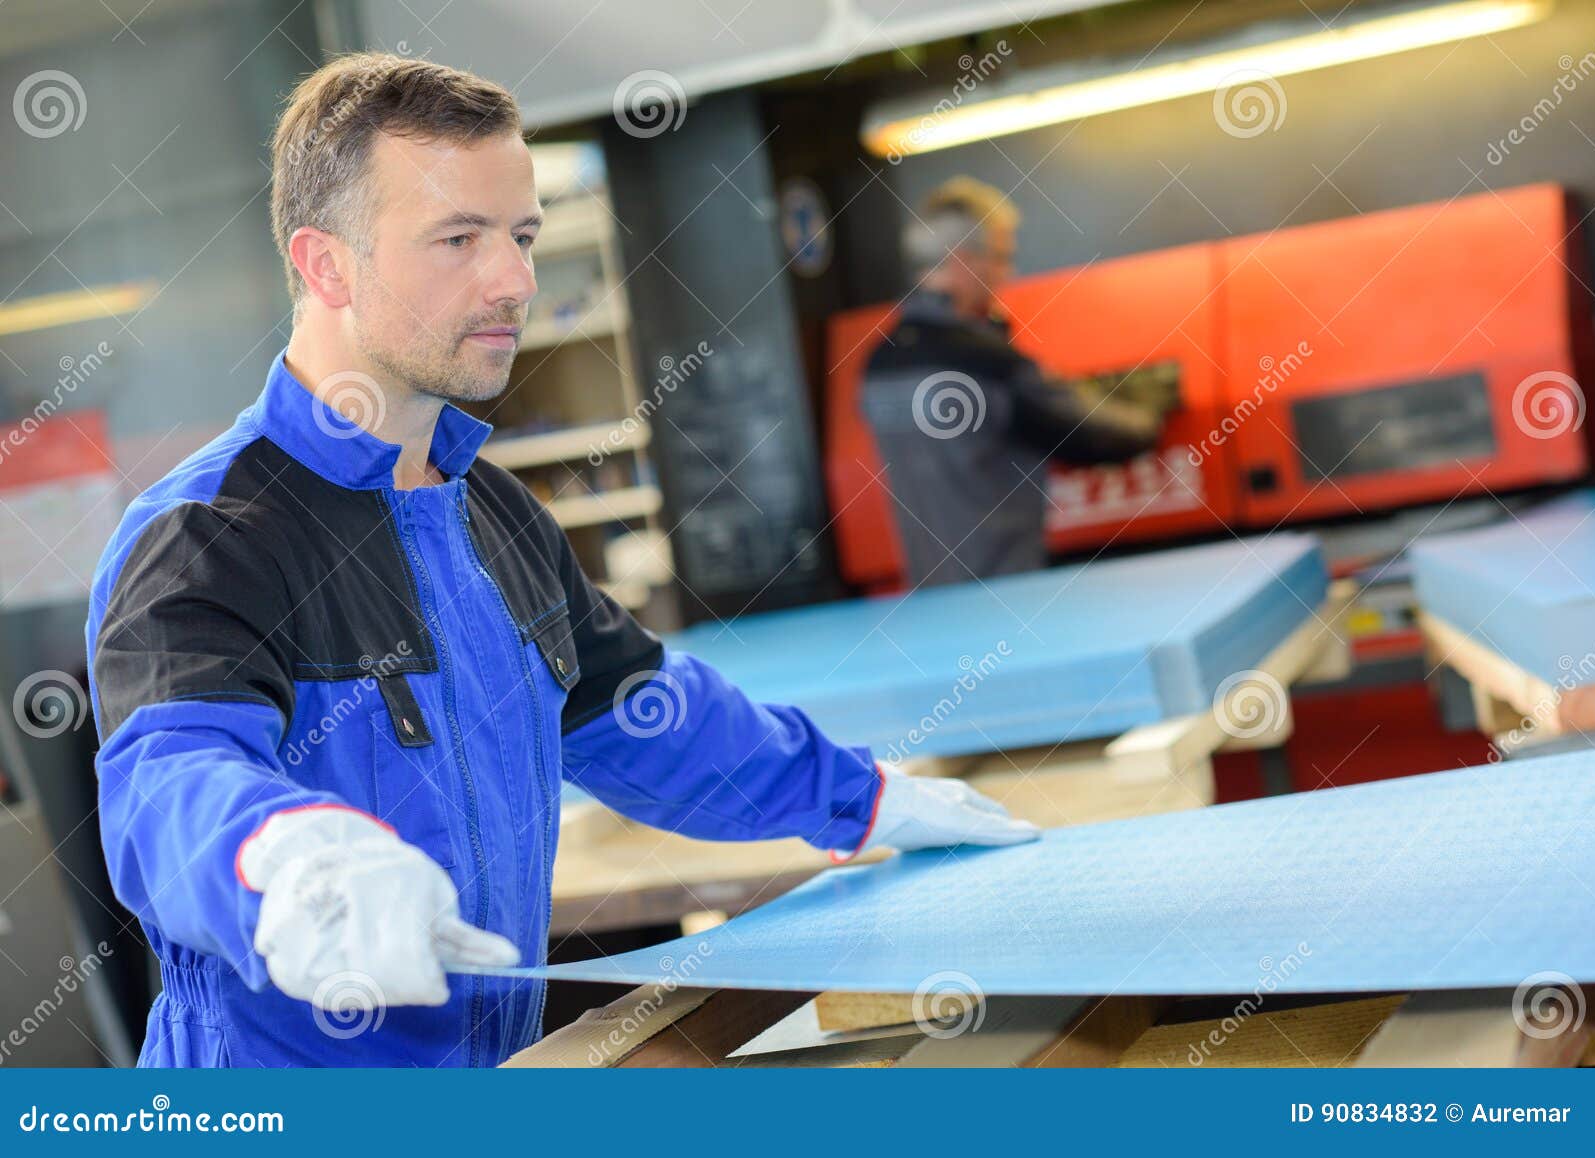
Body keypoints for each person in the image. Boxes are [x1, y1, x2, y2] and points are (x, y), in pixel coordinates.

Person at [86, 54, 1037, 1069]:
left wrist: (859, 797)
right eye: (458, 240)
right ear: (325, 266)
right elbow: (164, 776)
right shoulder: (208, 533)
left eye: (522, 235)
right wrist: (280, 855)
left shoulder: (490, 513)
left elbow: (645, 715)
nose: (514, 281)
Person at [861, 177, 1175, 588]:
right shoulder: (985, 363)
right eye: (1000, 258)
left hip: (931, 600)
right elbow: (1090, 433)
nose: (1006, 274)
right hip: (1007, 593)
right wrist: (1150, 409)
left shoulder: (876, 366)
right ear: (962, 261)